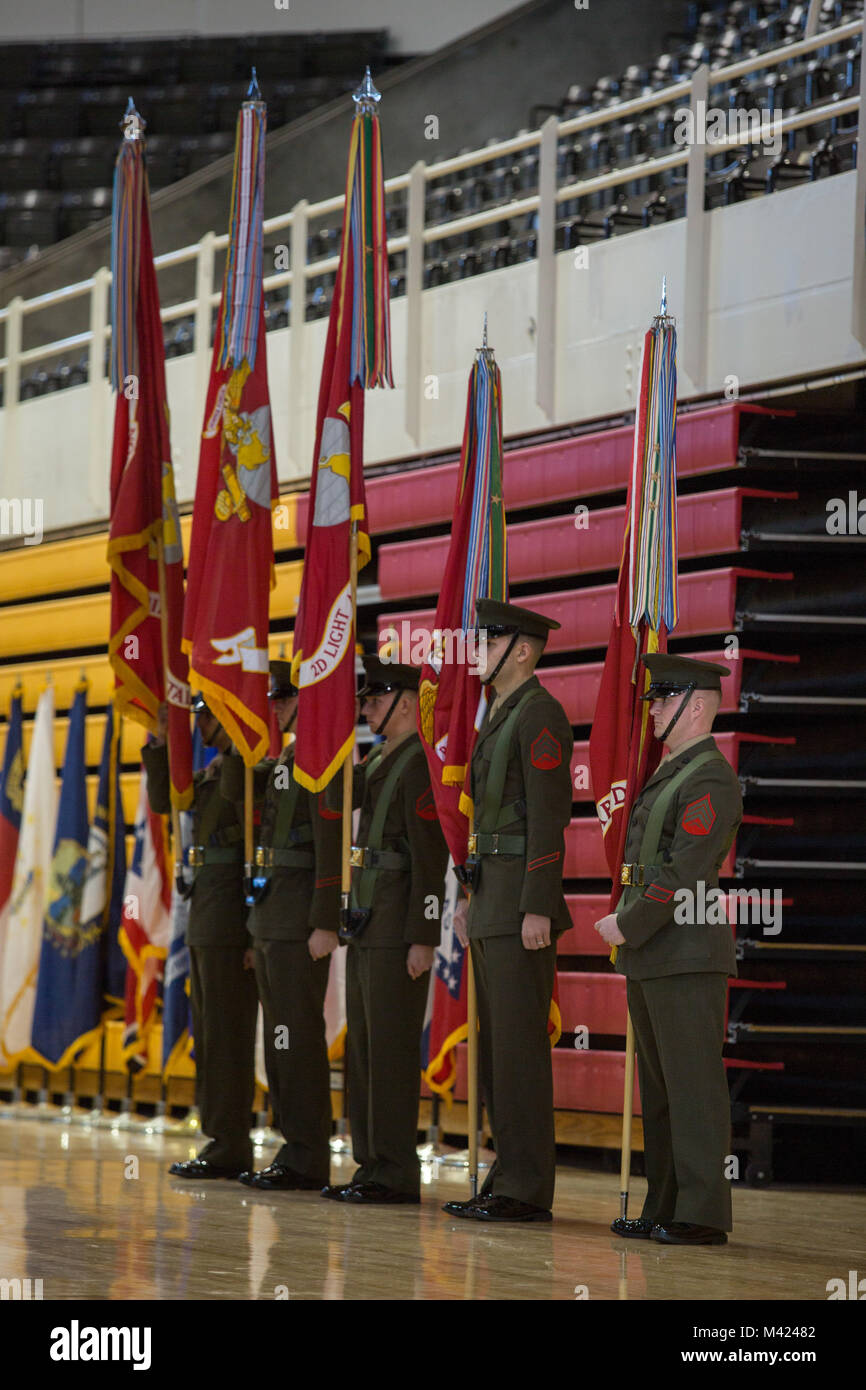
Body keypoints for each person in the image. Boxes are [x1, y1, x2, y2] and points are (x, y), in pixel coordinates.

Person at [595, 652, 743, 1246]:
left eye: (665, 698)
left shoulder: (708, 776)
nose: (653, 708)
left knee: (693, 1089)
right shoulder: (671, 770)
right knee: (659, 1092)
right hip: (658, 951)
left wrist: (630, 923)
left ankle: (702, 1213)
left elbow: (686, 868)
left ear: (700, 705)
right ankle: (665, 1203)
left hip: (684, 949)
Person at [444, 598, 574, 1223]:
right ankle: (508, 1174)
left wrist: (537, 907)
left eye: (487, 641)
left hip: (522, 902)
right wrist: (474, 897)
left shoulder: (540, 713)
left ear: (520, 649)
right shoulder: (499, 712)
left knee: (521, 1050)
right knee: (497, 1050)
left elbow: (550, 817)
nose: (477, 651)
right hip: (493, 896)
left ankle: (526, 1188)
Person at [322, 658, 448, 1205]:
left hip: (398, 927)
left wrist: (425, 934)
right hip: (367, 921)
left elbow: (429, 855)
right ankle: (369, 1163)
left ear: (403, 702)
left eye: (374, 700)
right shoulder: (374, 760)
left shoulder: (419, 762)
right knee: (366, 1050)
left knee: (392, 1052)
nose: (366, 709)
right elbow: (329, 806)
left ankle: (395, 1170)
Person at [220, 660, 341, 1191]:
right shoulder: (281, 758)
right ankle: (291, 1146)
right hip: (271, 918)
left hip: (300, 924)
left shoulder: (322, 760)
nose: (268, 709)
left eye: (276, 700)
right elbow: (231, 793)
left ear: (300, 700)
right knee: (279, 1039)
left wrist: (325, 921)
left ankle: (308, 1153)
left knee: (298, 1039)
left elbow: (330, 846)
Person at [143, 696, 257, 1179]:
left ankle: (231, 1143)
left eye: (208, 715)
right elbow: (167, 800)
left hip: (233, 924)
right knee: (210, 1037)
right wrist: (160, 741)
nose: (201, 725)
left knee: (228, 1039)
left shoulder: (247, 766)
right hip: (206, 920)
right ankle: (218, 1139)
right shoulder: (212, 770)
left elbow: (250, 826)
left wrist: (252, 932)